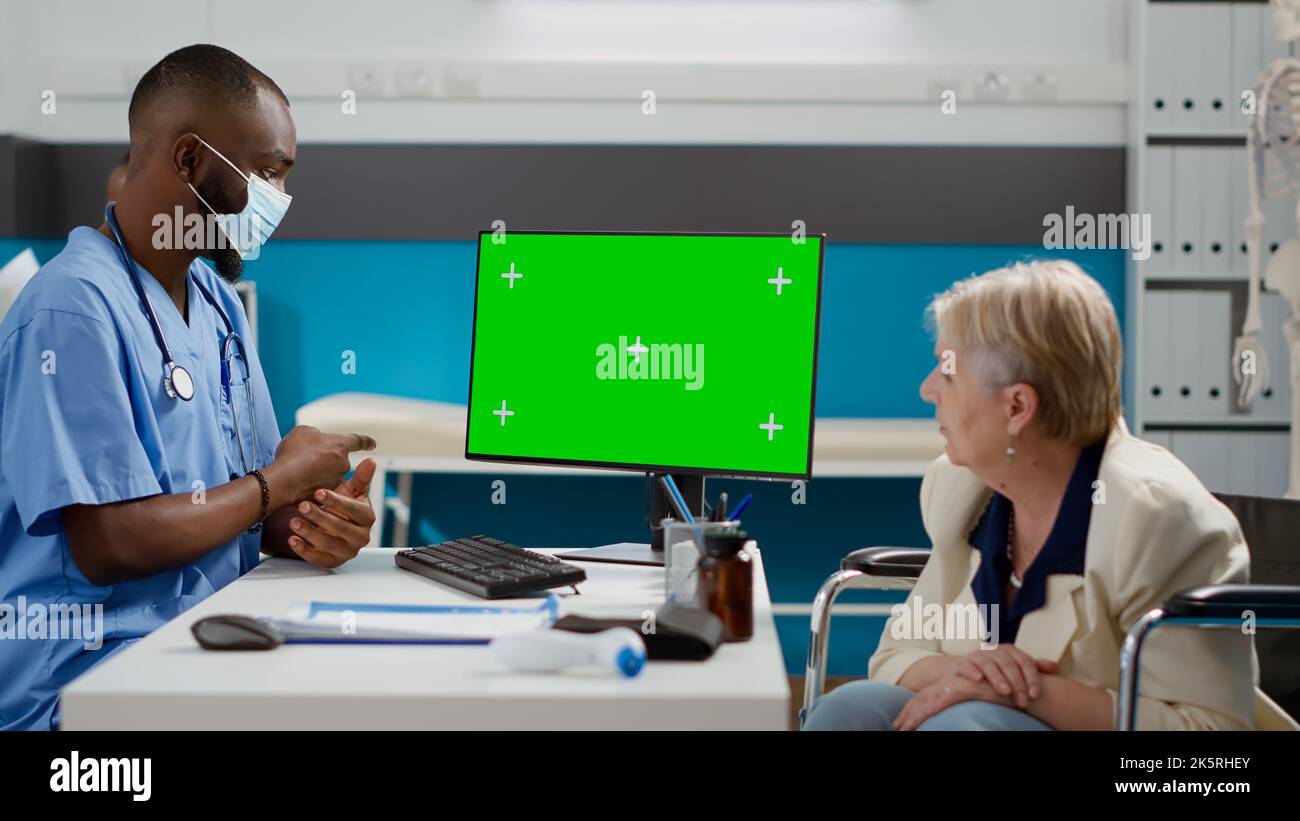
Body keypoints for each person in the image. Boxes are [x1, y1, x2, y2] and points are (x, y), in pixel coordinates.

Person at [0, 44, 379, 730]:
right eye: (267, 172)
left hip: (196, 645)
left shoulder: (216, 301)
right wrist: (278, 484)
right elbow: (107, 542)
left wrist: (311, 526)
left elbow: (250, 506)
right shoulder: (70, 309)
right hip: (80, 689)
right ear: (189, 160)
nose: (279, 200)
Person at [803, 259, 1297, 731]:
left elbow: (1207, 728)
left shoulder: (1153, 516)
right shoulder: (962, 488)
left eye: (948, 373)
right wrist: (971, 673)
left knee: (963, 723)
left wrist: (1023, 691)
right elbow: (895, 656)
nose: (927, 389)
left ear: (1018, 405)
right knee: (849, 709)